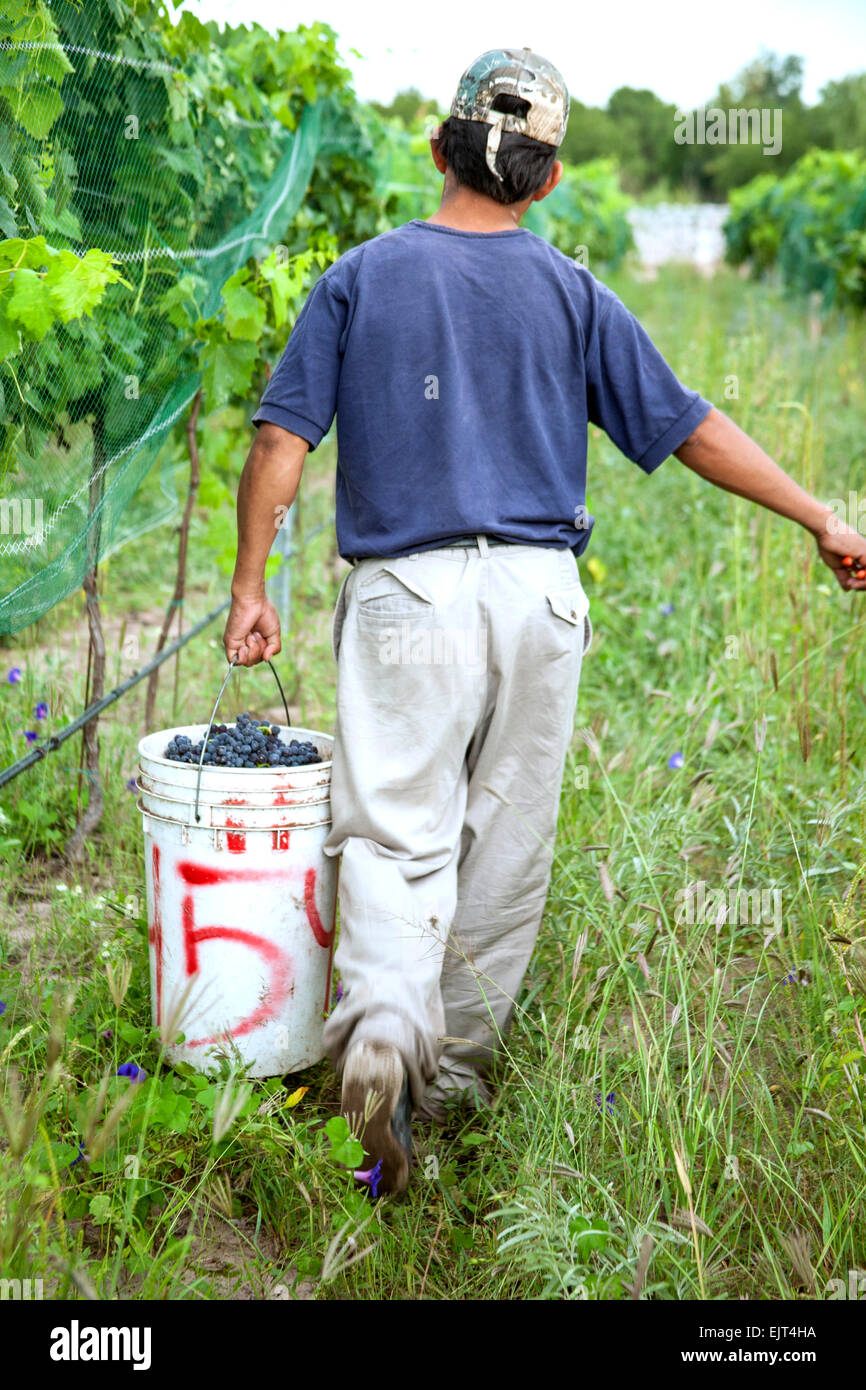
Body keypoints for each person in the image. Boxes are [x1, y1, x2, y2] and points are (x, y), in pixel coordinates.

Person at [223, 48, 866, 1195]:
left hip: (404, 595)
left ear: (436, 148)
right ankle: (451, 1088)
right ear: (551, 179)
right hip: (536, 596)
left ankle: (379, 1031)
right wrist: (818, 515)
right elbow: (689, 428)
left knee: (394, 832)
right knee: (505, 845)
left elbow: (279, 442)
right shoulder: (573, 293)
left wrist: (249, 586)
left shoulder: (360, 277)